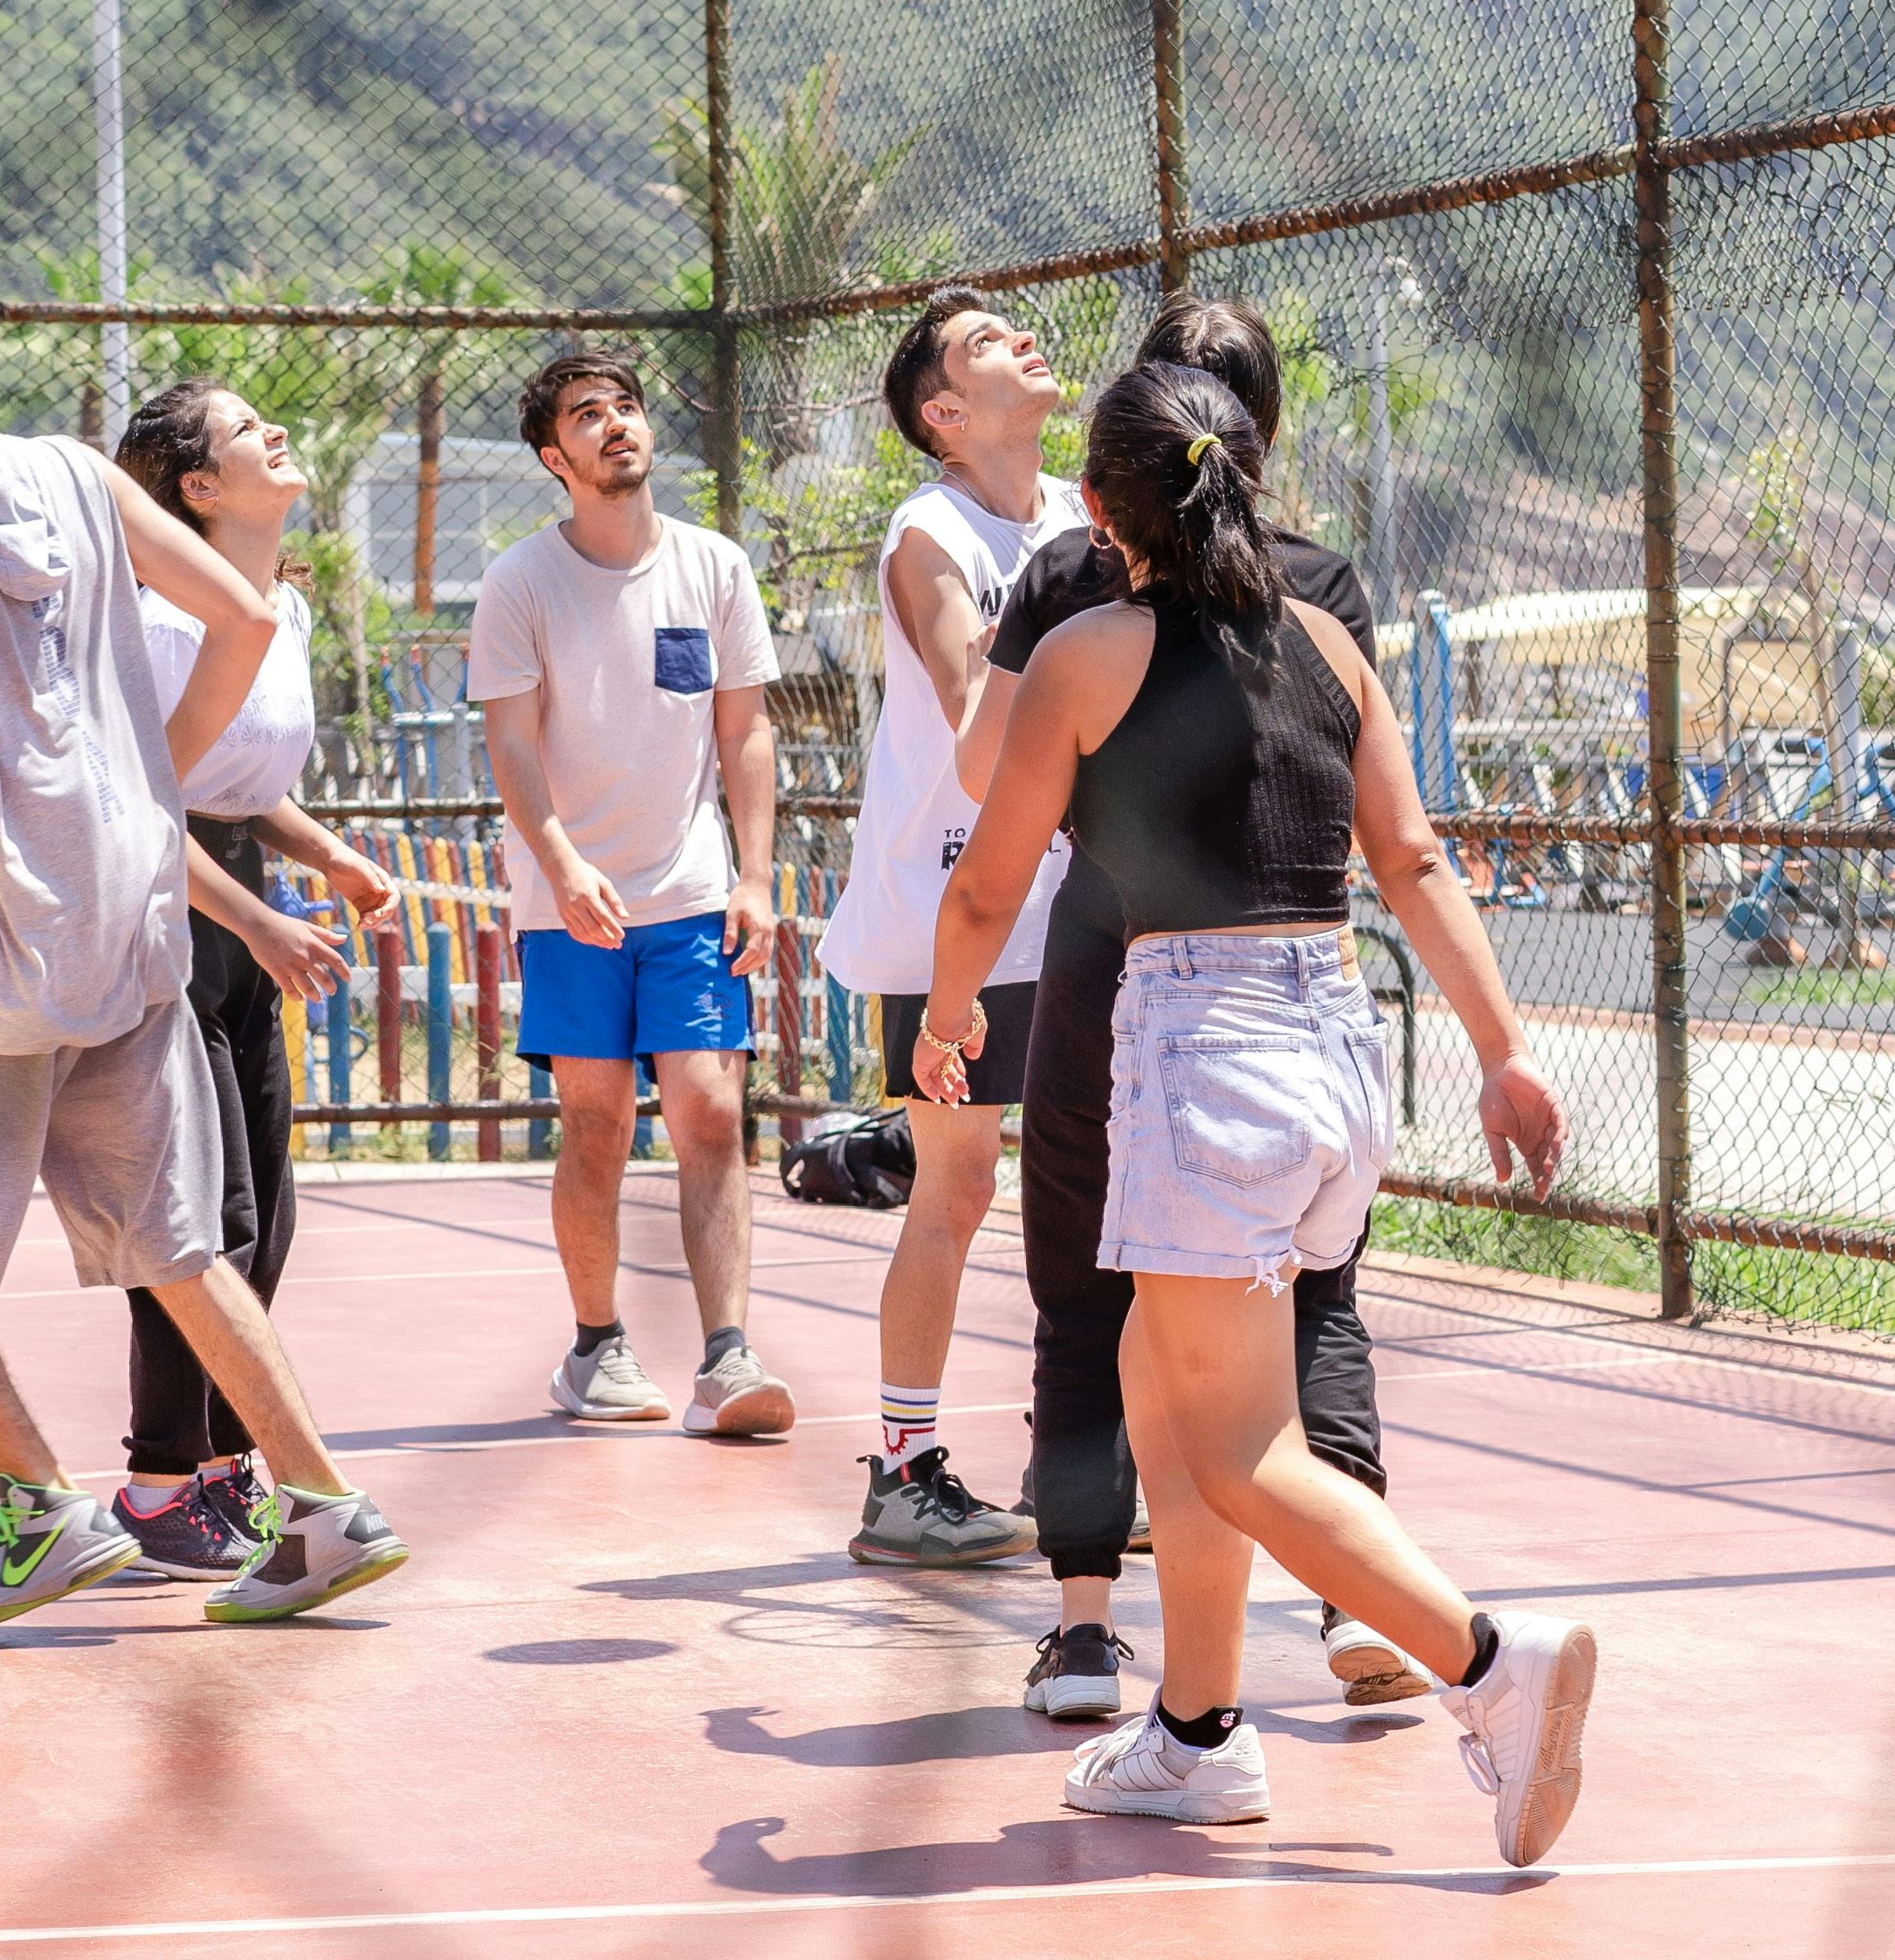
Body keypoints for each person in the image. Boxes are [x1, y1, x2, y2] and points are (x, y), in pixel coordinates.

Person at [918, 357, 1591, 1866]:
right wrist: (1502, 1047)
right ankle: (1202, 1733)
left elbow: (992, 874)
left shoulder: (1090, 649)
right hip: (1333, 1045)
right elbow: (1411, 862)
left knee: (1231, 1446)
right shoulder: (1329, 648)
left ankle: (1491, 1664)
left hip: (1200, 1053)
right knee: (1173, 1401)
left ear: (1100, 512)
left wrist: (952, 1015)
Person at [0, 239, 407, 1638]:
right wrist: (142, 784)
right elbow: (247, 617)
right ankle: (321, 1508)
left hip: (2, 942)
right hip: (135, 918)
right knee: (178, 1241)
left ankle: (42, 1512)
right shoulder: (77, 470)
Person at [961, 293, 1416, 1729]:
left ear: (1117, 471)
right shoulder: (1326, 592)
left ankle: (1092, 1623)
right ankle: (1344, 1601)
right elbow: (1378, 817)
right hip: (1303, 981)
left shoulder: (1071, 579)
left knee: (1088, 1293)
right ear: (1260, 441)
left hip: (1137, 966)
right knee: (1316, 1296)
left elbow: (992, 782)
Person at [466, 342, 792, 1439]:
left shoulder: (714, 566)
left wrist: (755, 876)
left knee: (709, 1108)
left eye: (627, 406)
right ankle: (596, 1347)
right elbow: (510, 745)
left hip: (693, 891)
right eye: (587, 414)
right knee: (597, 1120)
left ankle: (729, 1358)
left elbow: (744, 731)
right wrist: (561, 866)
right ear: (553, 455)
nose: (616, 425)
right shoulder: (522, 581)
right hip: (571, 903)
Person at [108, 376, 405, 1576]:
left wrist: (322, 852)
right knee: (198, 1226)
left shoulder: (268, 608)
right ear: (199, 488)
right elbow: (142, 803)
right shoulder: (171, 625)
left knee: (265, 1221)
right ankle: (156, 1484)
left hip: (233, 912)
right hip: (171, 920)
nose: (276, 431)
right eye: (246, 431)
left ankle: (226, 1469)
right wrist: (258, 921)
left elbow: (232, 783)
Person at [817, 290, 1082, 1571]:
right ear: (943, 413)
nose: (1023, 340)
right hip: (953, 915)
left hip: (1078, 904)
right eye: (986, 344)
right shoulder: (931, 534)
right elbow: (977, 717)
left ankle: (1077, 1452)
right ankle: (907, 1472)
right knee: (959, 1185)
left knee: (1094, 1190)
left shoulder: (1090, 515)